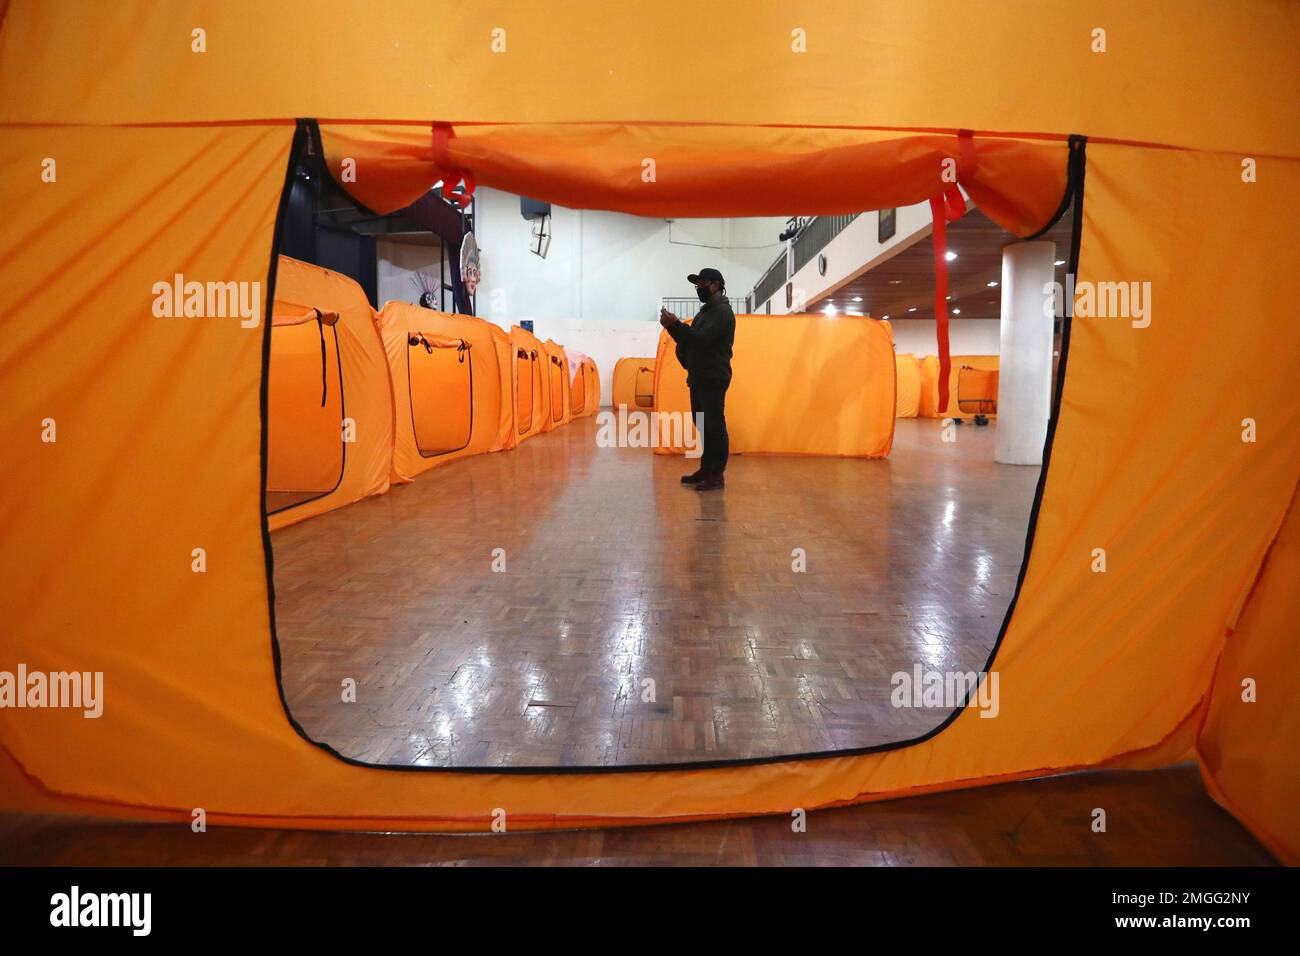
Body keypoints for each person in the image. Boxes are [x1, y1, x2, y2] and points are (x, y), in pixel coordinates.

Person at [658, 268, 735, 491]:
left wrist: (675, 326)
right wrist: (674, 329)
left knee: (714, 426)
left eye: (703, 283)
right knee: (703, 425)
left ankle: (716, 474)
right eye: (697, 284)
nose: (699, 288)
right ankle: (706, 469)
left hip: (713, 377)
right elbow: (691, 340)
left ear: (717, 285)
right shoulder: (704, 313)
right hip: (699, 377)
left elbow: (701, 340)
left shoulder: (722, 312)